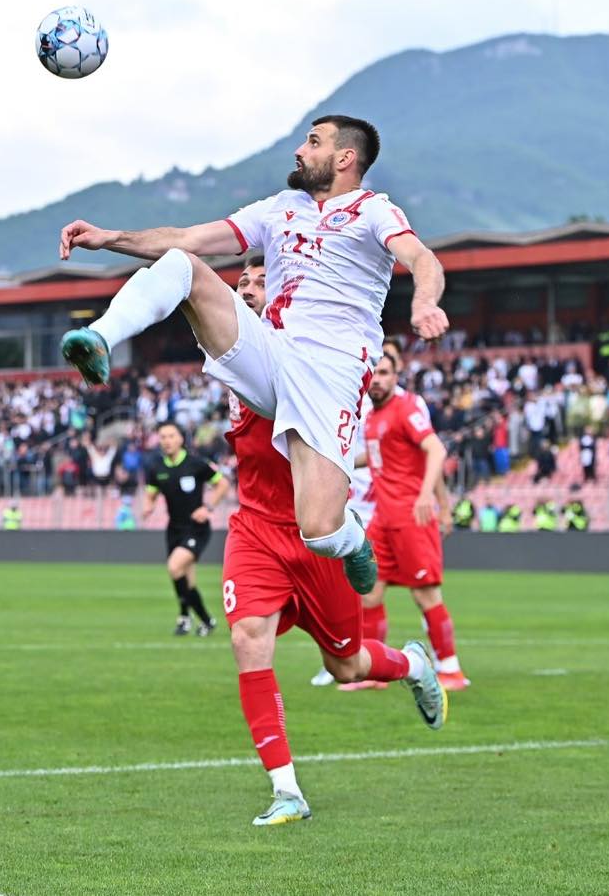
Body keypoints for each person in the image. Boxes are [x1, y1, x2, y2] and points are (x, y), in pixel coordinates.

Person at [58, 115, 448, 597]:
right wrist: (109, 238)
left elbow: (422, 258)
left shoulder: (374, 211)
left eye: (313, 142)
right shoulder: (281, 209)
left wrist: (425, 301)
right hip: (272, 351)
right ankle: (100, 338)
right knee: (183, 265)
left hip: (330, 375)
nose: (299, 151)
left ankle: (352, 541)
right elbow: (188, 239)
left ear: (345, 158)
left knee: (320, 533)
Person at [218, 259, 444, 826]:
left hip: (320, 535)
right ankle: (286, 790)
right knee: (248, 638)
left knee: (348, 666)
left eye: (257, 282)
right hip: (255, 529)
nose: (245, 290)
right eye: (239, 284)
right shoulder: (234, 355)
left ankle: (414, 665)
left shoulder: (316, 351)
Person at [346, 353, 469, 691]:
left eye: (386, 373)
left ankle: (451, 669)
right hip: (383, 518)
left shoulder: (407, 407)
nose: (379, 380)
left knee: (426, 595)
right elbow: (372, 458)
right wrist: (336, 463)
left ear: (396, 375)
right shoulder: (372, 418)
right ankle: (373, 673)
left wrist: (430, 497)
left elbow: (436, 450)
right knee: (369, 592)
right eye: (375, 374)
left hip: (412, 516)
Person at [143, 421, 230, 636]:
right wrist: (148, 506)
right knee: (185, 578)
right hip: (174, 529)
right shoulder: (157, 468)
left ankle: (194, 618)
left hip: (196, 528)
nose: (167, 441)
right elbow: (150, 493)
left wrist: (207, 507)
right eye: (162, 437)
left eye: (171, 436)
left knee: (174, 567)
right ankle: (197, 619)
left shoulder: (195, 463)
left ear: (181, 438)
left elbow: (223, 484)